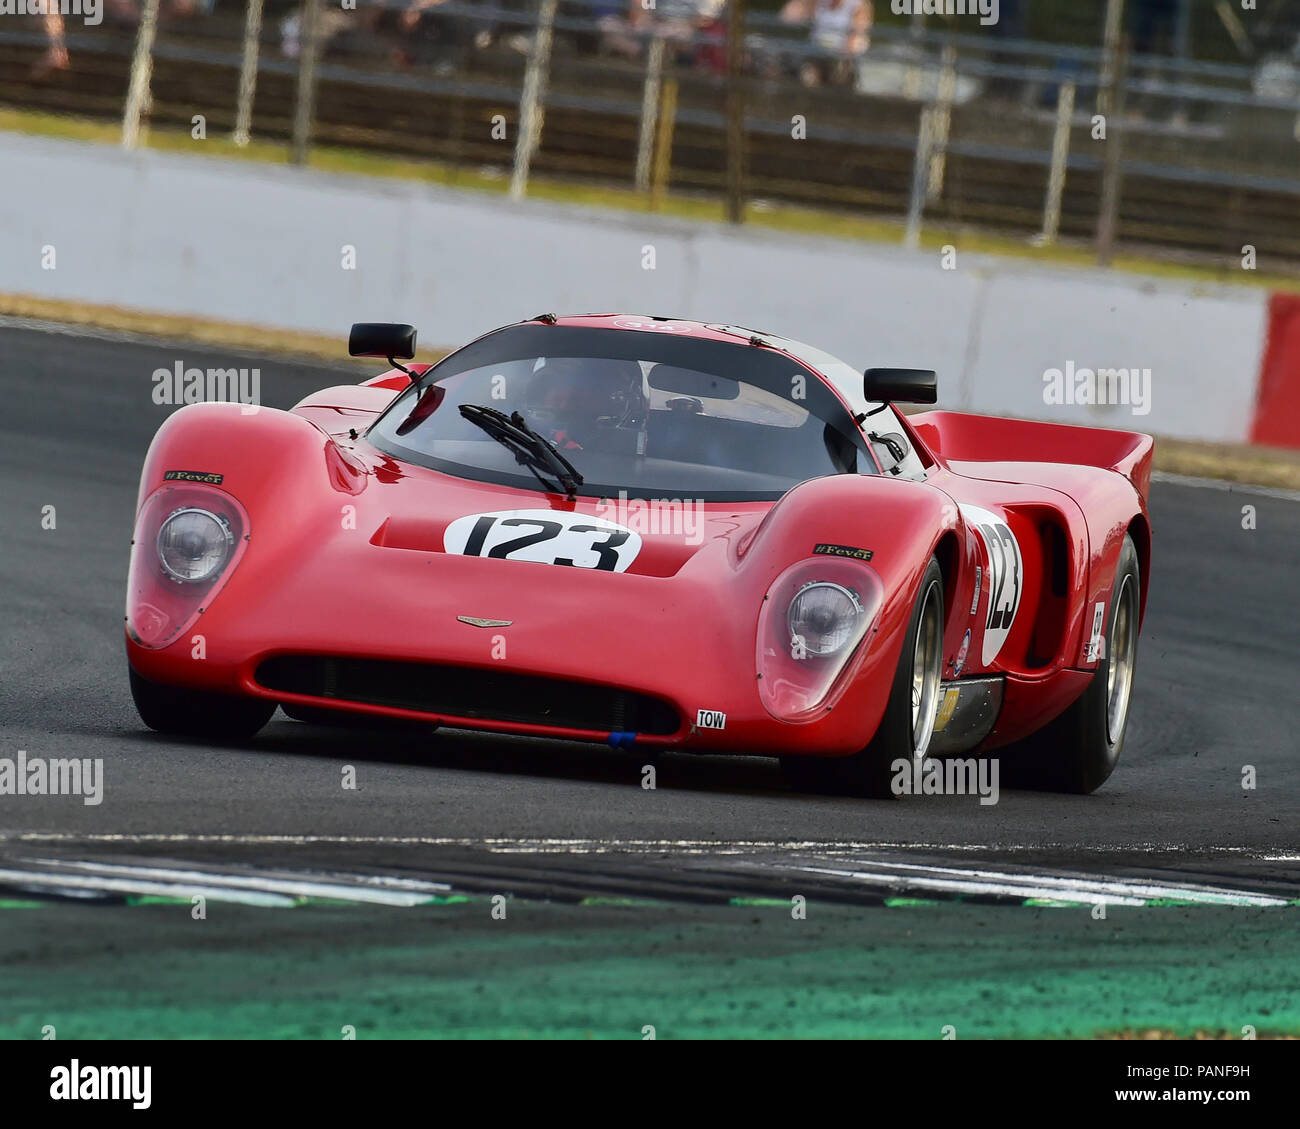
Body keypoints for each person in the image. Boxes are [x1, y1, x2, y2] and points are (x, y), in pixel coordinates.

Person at [523, 358, 647, 452]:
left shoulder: (626, 451)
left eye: (575, 401)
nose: (564, 407)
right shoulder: (520, 435)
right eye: (557, 400)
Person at [780, 0, 871, 87]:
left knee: (838, 74)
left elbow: (858, 35)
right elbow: (788, 16)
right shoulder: (818, 2)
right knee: (807, 76)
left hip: (840, 55)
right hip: (816, 51)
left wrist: (843, 51)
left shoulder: (858, 5)